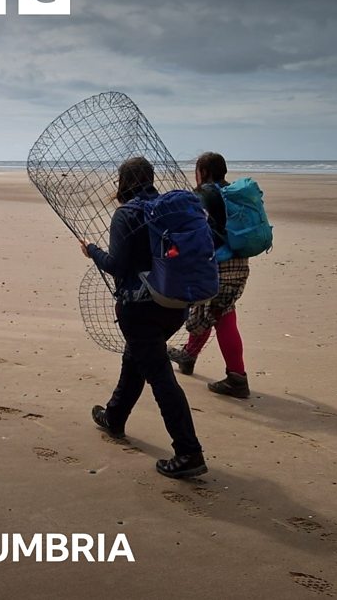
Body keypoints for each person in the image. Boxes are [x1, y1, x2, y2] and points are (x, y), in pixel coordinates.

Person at [81, 157, 208, 479]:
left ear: (122, 183)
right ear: (151, 179)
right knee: (136, 358)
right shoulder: (168, 210)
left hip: (139, 308)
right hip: (175, 304)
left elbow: (117, 266)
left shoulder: (127, 214)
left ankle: (189, 452)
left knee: (160, 377)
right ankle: (115, 416)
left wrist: (91, 250)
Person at [168, 151, 252, 399]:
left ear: (203, 172)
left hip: (217, 265)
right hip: (239, 262)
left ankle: (237, 378)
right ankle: (189, 356)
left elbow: (192, 228)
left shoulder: (205, 194)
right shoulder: (233, 194)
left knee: (223, 316)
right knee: (209, 310)